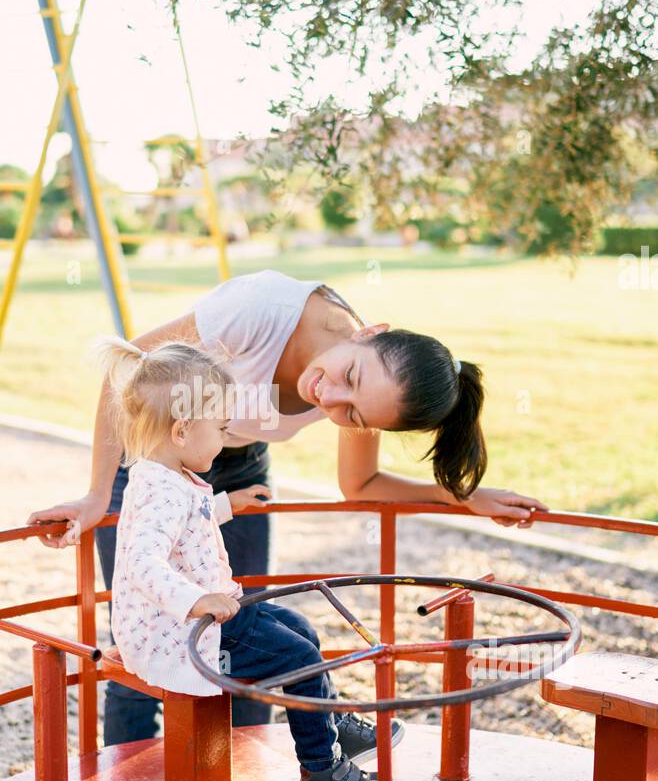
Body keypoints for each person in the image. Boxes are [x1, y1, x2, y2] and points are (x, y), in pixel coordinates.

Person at [28, 268, 547, 745]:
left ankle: (248, 773)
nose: (329, 398)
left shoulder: (366, 390)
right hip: (153, 455)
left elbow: (360, 483)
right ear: (369, 331)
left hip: (237, 470)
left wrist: (460, 495)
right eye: (350, 378)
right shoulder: (262, 309)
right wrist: (97, 495)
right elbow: (129, 375)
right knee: (150, 636)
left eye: (351, 414)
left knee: (255, 636)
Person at [81, 331, 383, 781]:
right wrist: (197, 601)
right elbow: (141, 563)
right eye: (221, 430)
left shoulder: (163, 474)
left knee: (300, 629)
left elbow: (183, 526)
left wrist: (225, 504)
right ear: (182, 431)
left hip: (202, 617)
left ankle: (333, 726)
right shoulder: (161, 487)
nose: (225, 440)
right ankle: (322, 775)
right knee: (298, 655)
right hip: (183, 631)